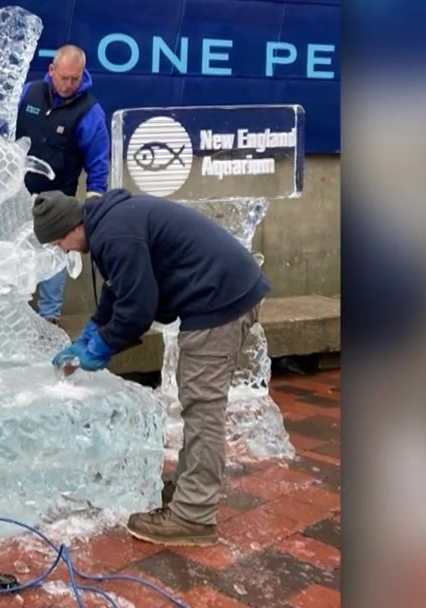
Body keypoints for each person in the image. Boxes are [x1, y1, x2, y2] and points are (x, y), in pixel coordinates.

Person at [31, 189, 270, 547]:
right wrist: (90, 334)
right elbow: (120, 291)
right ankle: (192, 488)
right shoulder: (109, 224)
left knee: (203, 406)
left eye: (58, 242)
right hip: (221, 291)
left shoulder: (114, 234)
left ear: (71, 228)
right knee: (197, 401)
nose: (62, 250)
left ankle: (193, 516)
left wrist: (103, 346)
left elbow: (139, 309)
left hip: (219, 299)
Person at [16, 45, 110, 325]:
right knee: (16, 255)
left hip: (59, 199)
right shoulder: (28, 92)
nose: (69, 84)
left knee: (55, 254)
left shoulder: (90, 111)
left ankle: (49, 317)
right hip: (18, 193)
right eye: (64, 77)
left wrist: (95, 199)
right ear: (52, 71)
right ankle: (16, 314)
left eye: (75, 78)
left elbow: (98, 159)